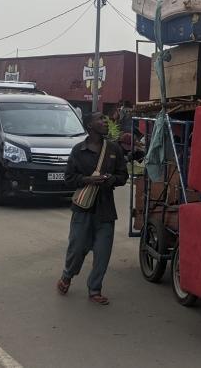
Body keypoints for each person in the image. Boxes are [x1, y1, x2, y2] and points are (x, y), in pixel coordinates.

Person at [57, 112, 128, 305]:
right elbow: (69, 179)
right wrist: (88, 180)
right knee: (77, 248)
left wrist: (109, 180)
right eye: (100, 119)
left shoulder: (113, 149)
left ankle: (95, 288)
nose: (105, 122)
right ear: (89, 125)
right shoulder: (79, 150)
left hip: (106, 209)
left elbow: (123, 176)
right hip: (83, 209)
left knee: (103, 252)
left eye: (106, 119)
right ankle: (67, 274)